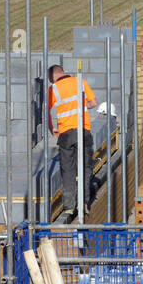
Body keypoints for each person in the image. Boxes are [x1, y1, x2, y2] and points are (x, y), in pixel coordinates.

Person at [48, 64, 97, 221]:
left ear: (53, 77)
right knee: (85, 167)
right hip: (83, 130)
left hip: (66, 135)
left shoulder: (54, 89)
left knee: (68, 170)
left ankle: (69, 207)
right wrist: (83, 106)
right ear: (63, 72)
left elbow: (46, 110)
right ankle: (84, 202)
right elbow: (94, 103)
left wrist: (52, 128)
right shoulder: (80, 81)